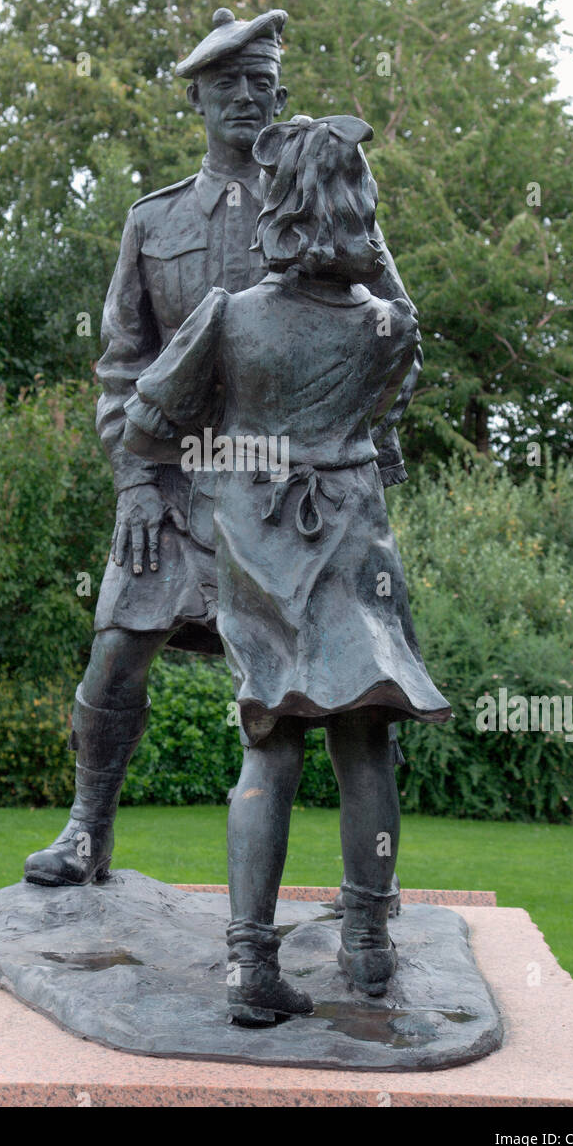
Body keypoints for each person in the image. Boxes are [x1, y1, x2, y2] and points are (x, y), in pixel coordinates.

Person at [24, 9, 421, 890]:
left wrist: (356, 444)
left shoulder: (323, 197)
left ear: (281, 99)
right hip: (177, 492)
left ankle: (360, 919)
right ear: (197, 98)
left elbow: (397, 330)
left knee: (343, 708)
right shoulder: (153, 223)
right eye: (227, 84)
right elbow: (122, 369)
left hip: (297, 507)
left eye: (262, 84)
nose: (247, 97)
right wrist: (136, 483)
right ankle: (88, 830)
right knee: (117, 652)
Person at [123, 115, 452, 1023]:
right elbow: (396, 365)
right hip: (355, 547)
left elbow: (149, 420)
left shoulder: (232, 318)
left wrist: (223, 462)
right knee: (367, 739)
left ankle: (248, 965)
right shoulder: (388, 325)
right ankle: (369, 939)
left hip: (261, 543)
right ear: (360, 209)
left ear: (278, 205)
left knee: (269, 746)